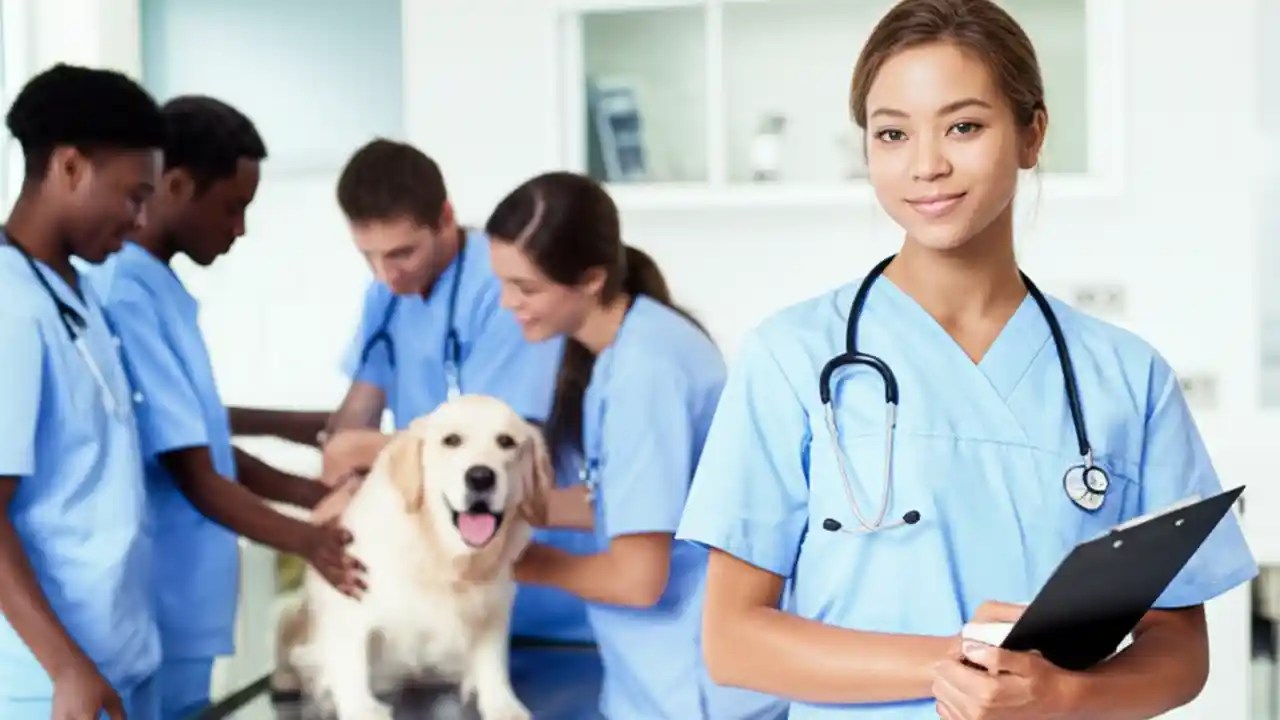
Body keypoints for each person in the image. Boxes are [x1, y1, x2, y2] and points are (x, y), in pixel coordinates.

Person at [673, 1, 1260, 718]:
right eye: (892, 133)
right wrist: (957, 664)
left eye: (964, 126)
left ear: (1032, 133)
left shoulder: (1127, 377)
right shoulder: (792, 357)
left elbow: (1178, 648)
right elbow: (734, 641)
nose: (927, 165)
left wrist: (1065, 695)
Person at [239, 139, 595, 647]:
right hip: (441, 582)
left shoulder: (504, 295)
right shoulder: (387, 295)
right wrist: (338, 479)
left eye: (402, 252)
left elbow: (503, 448)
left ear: (445, 218)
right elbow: (354, 418)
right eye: (370, 257)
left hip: (534, 580)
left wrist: (365, 453)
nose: (388, 273)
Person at [84, 95, 366, 720]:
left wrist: (309, 478)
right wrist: (315, 537)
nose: (238, 229)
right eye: (232, 207)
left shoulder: (158, 290)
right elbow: (192, 469)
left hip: (185, 595)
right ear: (175, 185)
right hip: (156, 592)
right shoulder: (124, 292)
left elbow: (196, 433)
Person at [486, 170, 787, 720]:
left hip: (694, 687)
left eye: (525, 288)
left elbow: (637, 579)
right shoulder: (633, 346)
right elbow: (624, 501)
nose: (508, 303)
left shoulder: (644, 373)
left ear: (591, 279)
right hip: (662, 682)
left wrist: (518, 561)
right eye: (502, 282)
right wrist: (493, 509)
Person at [0, 63, 166, 720]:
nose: (141, 218)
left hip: (113, 660)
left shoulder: (75, 292)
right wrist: (66, 667)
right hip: (47, 683)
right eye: (133, 195)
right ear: (69, 168)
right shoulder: (10, 308)